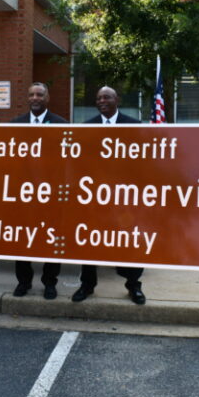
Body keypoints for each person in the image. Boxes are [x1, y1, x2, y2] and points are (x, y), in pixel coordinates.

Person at [72, 86, 146, 305]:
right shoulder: (86, 128)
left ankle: (134, 286)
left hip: (124, 198)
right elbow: (80, 163)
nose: (102, 100)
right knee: (90, 243)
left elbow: (142, 163)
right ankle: (87, 285)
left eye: (106, 97)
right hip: (94, 197)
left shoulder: (134, 126)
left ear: (117, 100)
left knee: (129, 242)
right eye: (98, 98)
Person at [10, 82, 68, 300]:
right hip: (22, 195)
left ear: (47, 98)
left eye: (40, 95)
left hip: (51, 195)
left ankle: (49, 283)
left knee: (51, 240)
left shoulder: (61, 124)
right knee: (21, 239)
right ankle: (23, 282)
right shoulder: (16, 124)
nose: (35, 98)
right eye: (31, 94)